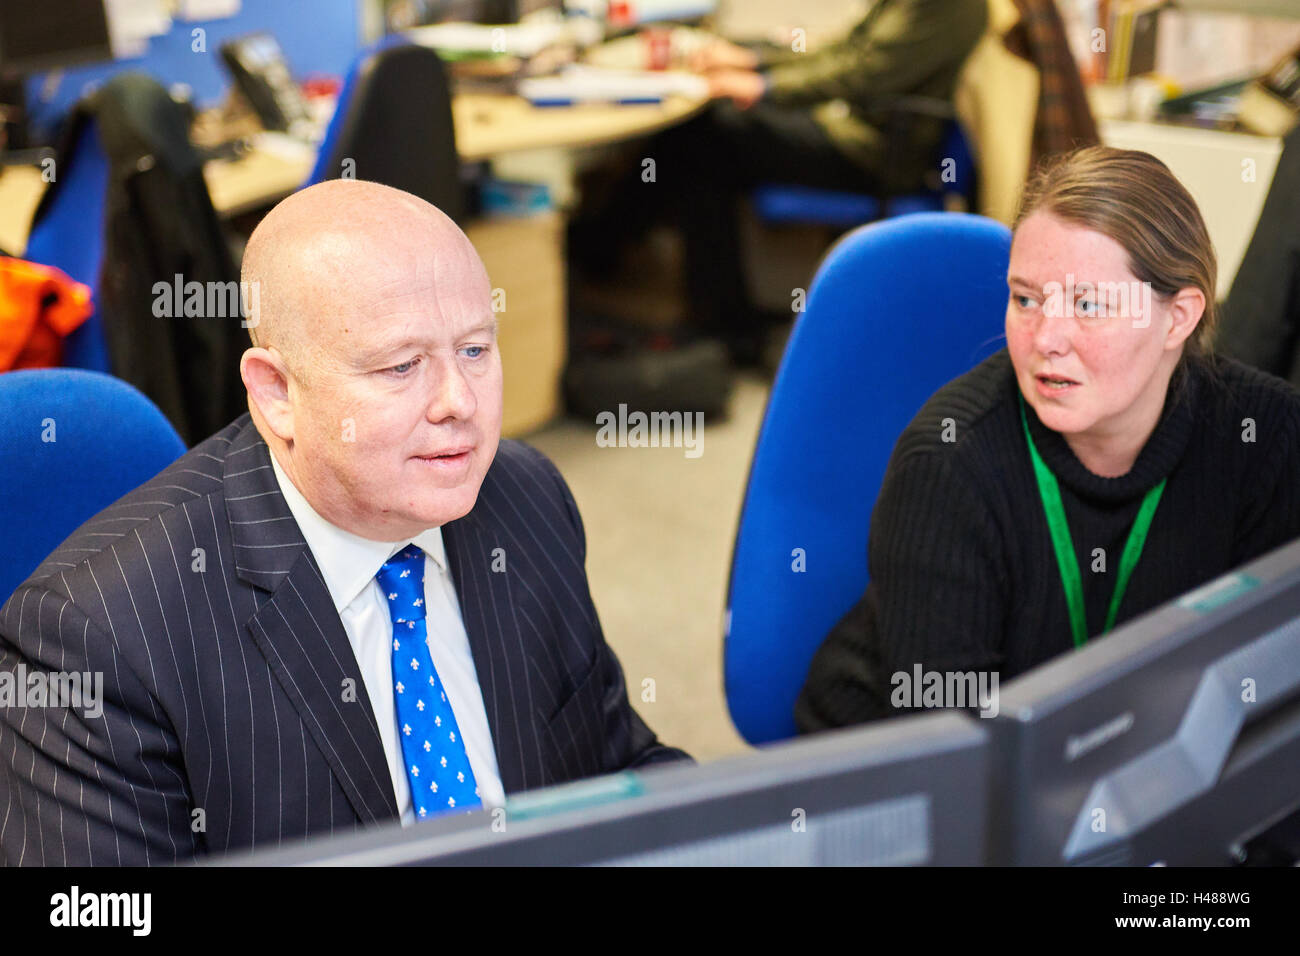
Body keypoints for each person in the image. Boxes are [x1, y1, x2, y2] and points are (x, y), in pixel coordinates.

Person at [0, 179, 687, 865]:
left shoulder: (526, 496)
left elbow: (617, 765)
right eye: (402, 365)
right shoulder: (102, 635)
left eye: (475, 350)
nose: (459, 402)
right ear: (277, 395)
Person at [795, 146, 1300, 731]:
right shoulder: (948, 462)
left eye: (1089, 305)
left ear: (1179, 317)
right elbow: (947, 758)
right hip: (893, 776)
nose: (1047, 339)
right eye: (1025, 299)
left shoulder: (1269, 436)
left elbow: (1271, 705)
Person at [568, 0, 988, 361]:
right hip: (847, 123)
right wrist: (757, 63)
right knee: (704, 136)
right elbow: (847, 50)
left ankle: (606, 252)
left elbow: (864, 73)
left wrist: (764, 85)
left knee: (707, 134)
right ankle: (709, 312)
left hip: (872, 154)